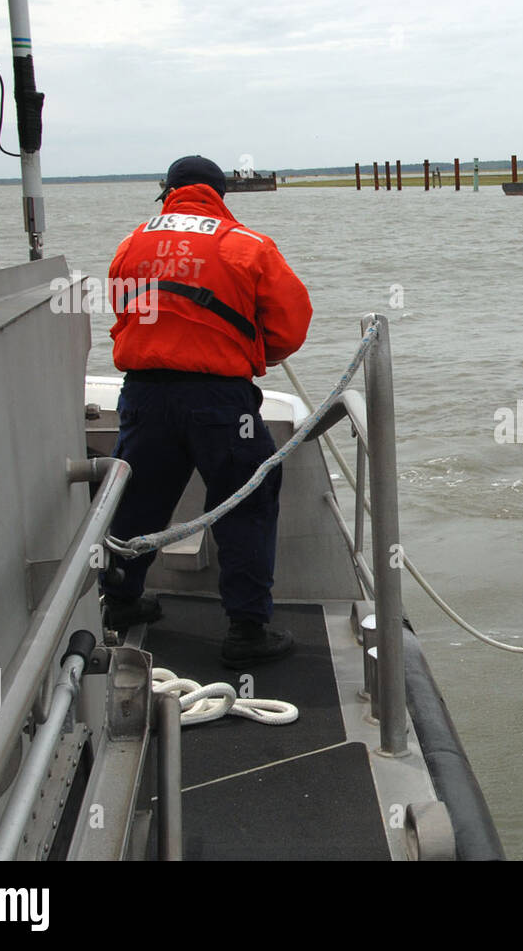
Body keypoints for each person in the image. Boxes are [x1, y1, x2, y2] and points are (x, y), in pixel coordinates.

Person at [100, 155, 313, 668]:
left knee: (136, 505)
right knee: (246, 503)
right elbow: (292, 323)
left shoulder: (131, 245)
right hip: (221, 401)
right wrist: (252, 353)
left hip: (145, 395)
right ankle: (244, 632)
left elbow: (121, 310)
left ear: (167, 193)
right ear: (220, 195)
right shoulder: (248, 246)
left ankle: (121, 605)